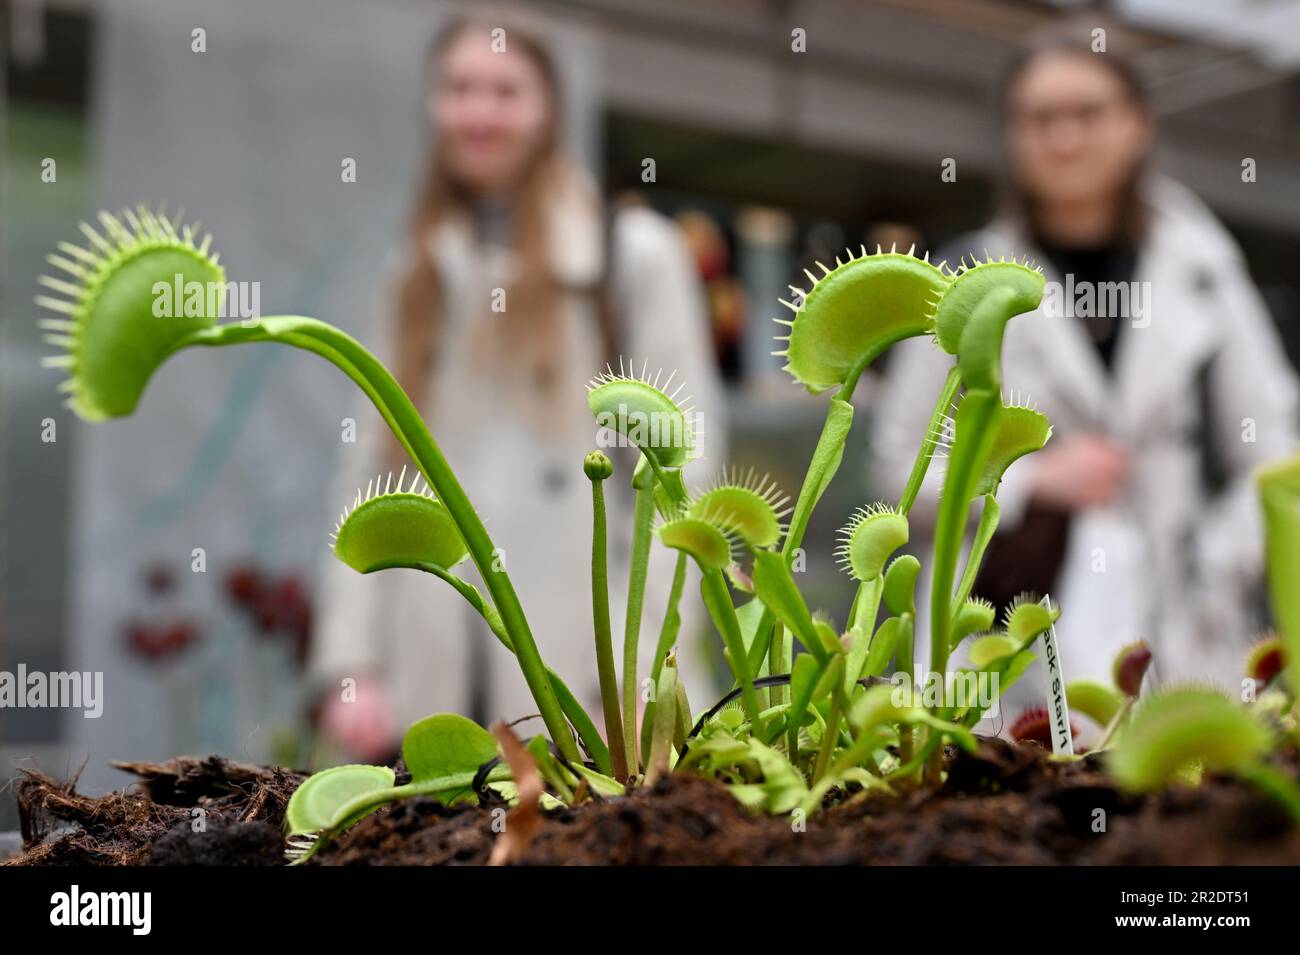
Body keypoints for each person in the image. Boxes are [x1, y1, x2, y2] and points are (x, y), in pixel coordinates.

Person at [310, 12, 725, 761]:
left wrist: (640, 677)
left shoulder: (631, 260)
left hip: (590, 681)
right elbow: (371, 474)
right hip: (429, 670)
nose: (479, 111)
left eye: (505, 90)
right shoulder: (415, 273)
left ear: (548, 112)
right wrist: (350, 666)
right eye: (459, 88)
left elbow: (681, 482)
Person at [872, 21, 1299, 696]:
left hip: (1179, 635)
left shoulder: (1205, 270)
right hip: (1005, 650)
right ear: (1012, 137)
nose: (1064, 139)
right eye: (1039, 118)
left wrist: (1215, 572)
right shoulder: (966, 282)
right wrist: (1034, 482)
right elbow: (899, 468)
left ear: (1139, 124)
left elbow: (1273, 451)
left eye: (1088, 114)